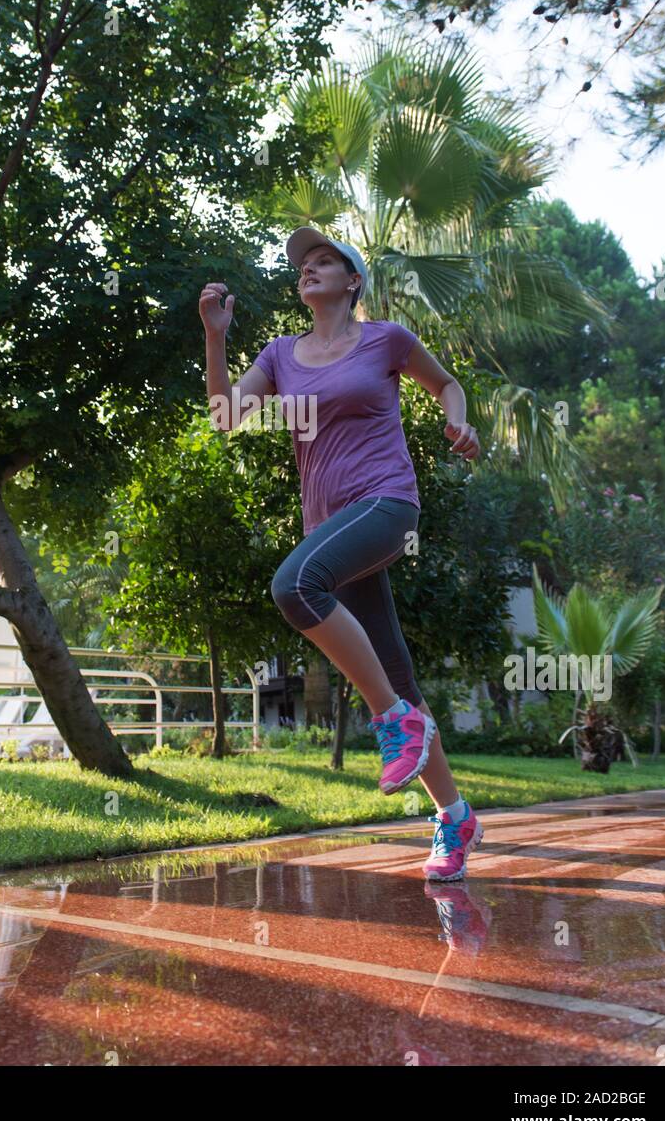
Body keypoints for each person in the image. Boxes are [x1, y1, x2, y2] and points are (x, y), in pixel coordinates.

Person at [198, 225, 483, 881]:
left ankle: (392, 721)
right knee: (396, 674)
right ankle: (453, 814)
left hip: (385, 504)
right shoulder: (279, 355)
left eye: (325, 262)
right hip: (328, 521)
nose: (310, 269)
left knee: (294, 588)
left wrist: (458, 419)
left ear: (352, 282)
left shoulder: (386, 339)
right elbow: (223, 417)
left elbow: (446, 385)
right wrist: (214, 335)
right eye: (303, 264)